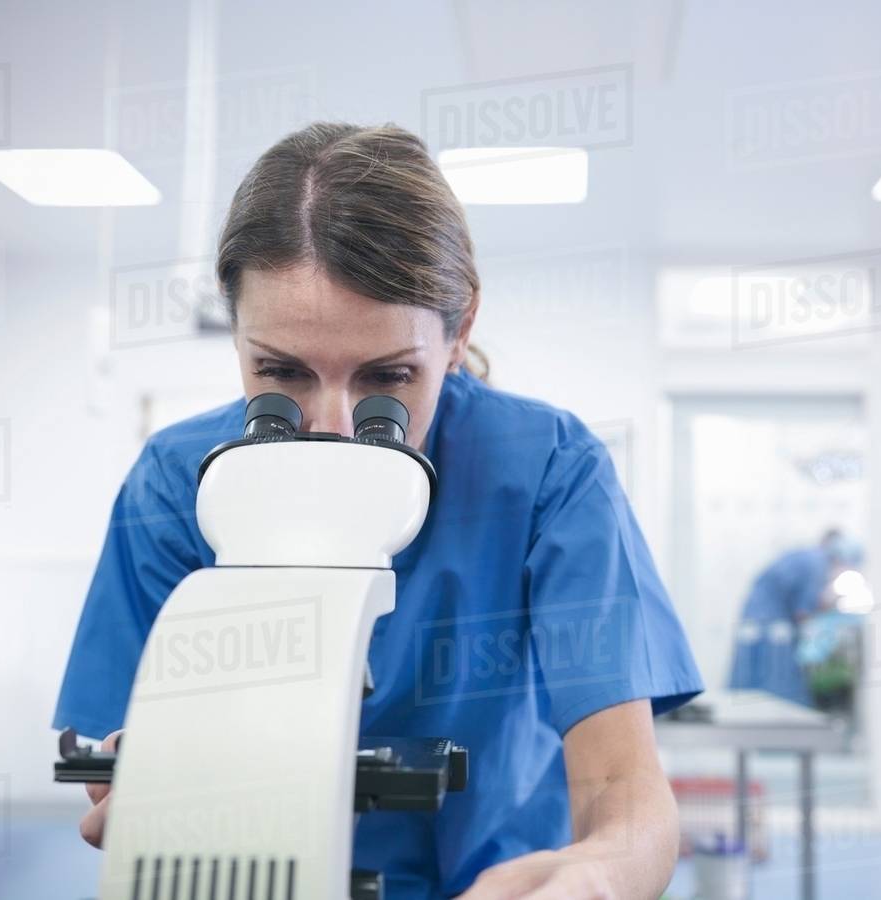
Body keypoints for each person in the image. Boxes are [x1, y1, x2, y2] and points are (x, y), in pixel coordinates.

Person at [52, 123, 704, 899]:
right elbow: (126, 770)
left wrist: (596, 879)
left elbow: (624, 789)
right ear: (234, 335)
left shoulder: (549, 470)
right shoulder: (174, 484)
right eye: (281, 372)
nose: (330, 426)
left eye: (388, 376)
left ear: (459, 332)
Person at [726, 530, 863, 706]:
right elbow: (803, 613)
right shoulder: (817, 564)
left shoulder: (809, 558)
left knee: (754, 686)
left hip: (760, 622)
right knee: (779, 689)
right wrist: (833, 605)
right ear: (843, 560)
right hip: (771, 628)